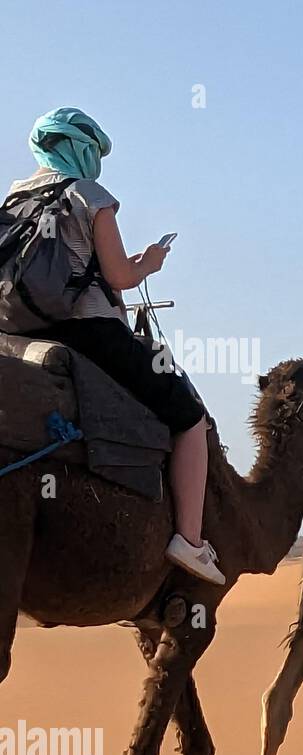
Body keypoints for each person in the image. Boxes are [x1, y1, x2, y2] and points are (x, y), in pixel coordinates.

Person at [4, 108, 223, 584]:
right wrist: (150, 262)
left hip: (19, 334)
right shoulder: (90, 195)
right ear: (82, 148)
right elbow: (120, 276)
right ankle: (189, 539)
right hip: (89, 331)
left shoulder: (16, 196)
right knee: (188, 417)